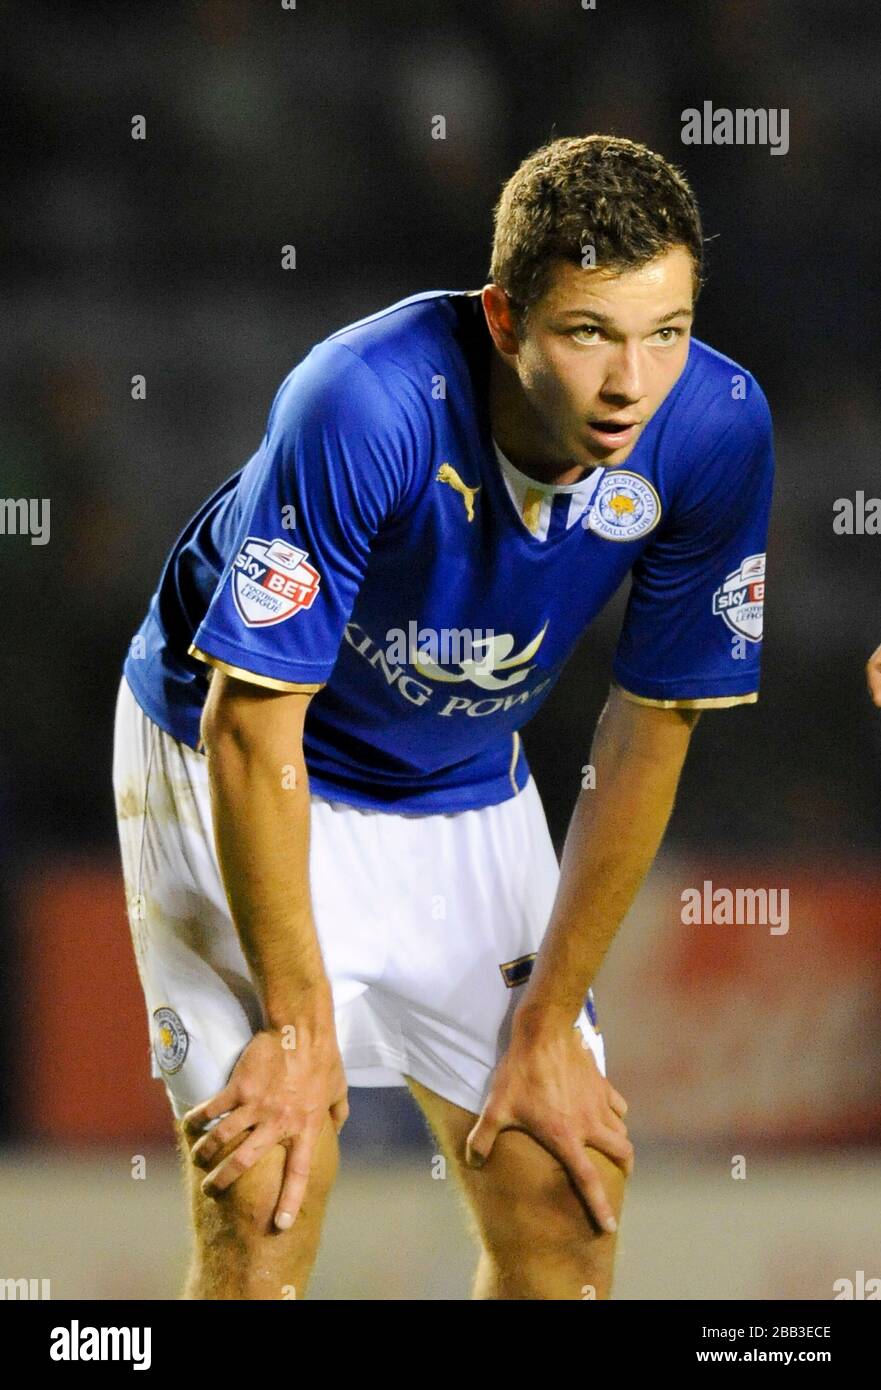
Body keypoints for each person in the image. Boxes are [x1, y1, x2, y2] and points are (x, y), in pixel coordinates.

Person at [113, 134, 775, 1300]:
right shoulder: (360, 402)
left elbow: (648, 729)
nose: (631, 381)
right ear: (507, 317)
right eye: (588, 334)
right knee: (271, 1192)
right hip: (246, 758)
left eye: (663, 332)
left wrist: (550, 1022)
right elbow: (250, 719)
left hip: (459, 771)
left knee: (564, 1208)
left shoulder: (716, 429)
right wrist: (298, 1028)